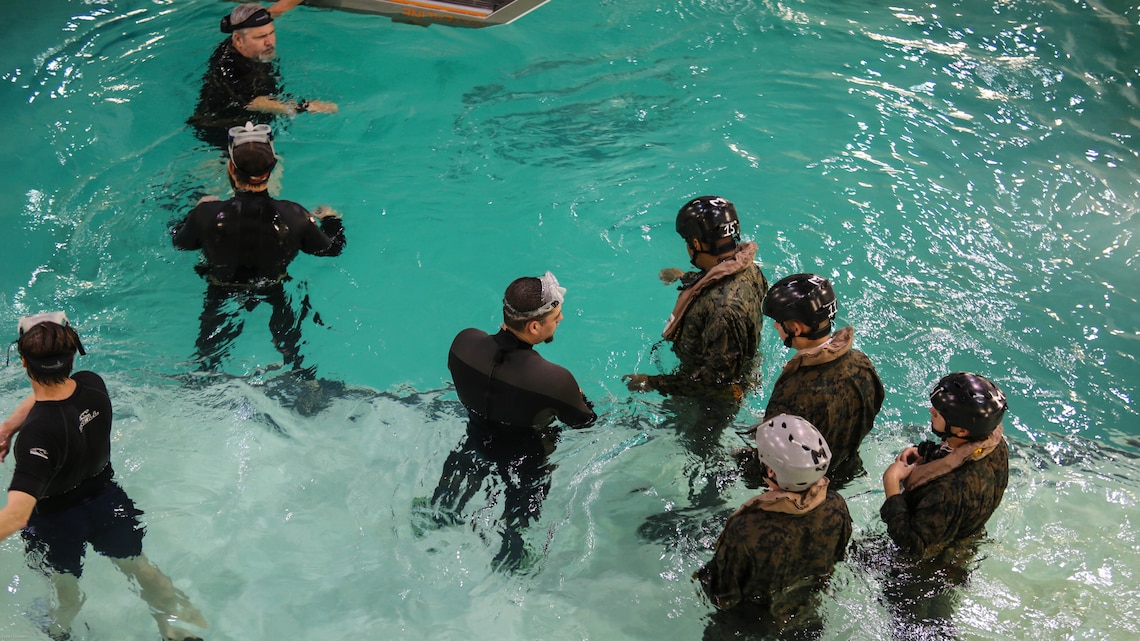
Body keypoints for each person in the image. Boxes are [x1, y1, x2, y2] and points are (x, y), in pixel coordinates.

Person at [0, 313, 207, 641]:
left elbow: (15, 516)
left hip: (57, 522)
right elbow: (56, 391)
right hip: (105, 498)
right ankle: (176, 625)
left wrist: (17, 431)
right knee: (140, 567)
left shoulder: (37, 436)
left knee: (65, 591)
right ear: (72, 357)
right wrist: (9, 426)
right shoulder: (91, 385)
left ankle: (59, 632)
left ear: (24, 364)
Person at [424, 271, 597, 572]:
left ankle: (432, 521)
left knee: (443, 507)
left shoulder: (463, 342)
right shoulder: (554, 379)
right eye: (556, 316)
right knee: (515, 531)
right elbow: (585, 423)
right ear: (534, 326)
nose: (561, 319)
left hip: (475, 439)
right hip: (526, 457)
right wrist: (580, 396)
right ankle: (512, 564)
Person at [172, 122, 346, 378]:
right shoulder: (295, 216)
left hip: (219, 286)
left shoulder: (206, 214)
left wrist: (193, 212)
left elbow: (180, 242)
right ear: (272, 169)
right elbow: (331, 250)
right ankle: (304, 380)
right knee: (292, 348)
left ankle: (201, 380)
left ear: (231, 167)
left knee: (208, 355)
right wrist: (333, 220)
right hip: (273, 286)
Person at [875, 371, 1010, 640]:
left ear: (961, 430)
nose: (930, 412)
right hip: (958, 545)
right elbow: (955, 456)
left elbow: (913, 543)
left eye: (937, 414)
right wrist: (926, 453)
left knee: (915, 629)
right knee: (939, 621)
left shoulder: (949, 491)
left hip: (927, 566)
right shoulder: (994, 445)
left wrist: (891, 486)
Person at [696, 414, 852, 639]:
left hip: (751, 624)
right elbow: (836, 559)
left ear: (771, 472)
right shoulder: (836, 506)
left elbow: (724, 594)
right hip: (805, 614)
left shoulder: (747, 530)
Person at [623, 195, 768, 407]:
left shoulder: (724, 311)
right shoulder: (750, 270)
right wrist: (685, 277)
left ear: (696, 243)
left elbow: (716, 384)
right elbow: (717, 282)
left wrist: (652, 382)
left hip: (709, 404)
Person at [755, 273, 884, 486]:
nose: (775, 327)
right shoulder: (861, 363)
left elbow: (771, 458)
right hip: (847, 470)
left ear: (796, 328)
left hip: (801, 485)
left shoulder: (796, 391)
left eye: (779, 322)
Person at [188, 3, 337, 149]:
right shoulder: (230, 66)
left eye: (271, 33)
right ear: (238, 40)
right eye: (261, 37)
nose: (269, 42)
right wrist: (306, 107)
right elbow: (254, 102)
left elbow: (275, 12)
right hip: (224, 129)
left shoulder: (249, 30)